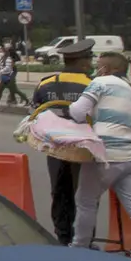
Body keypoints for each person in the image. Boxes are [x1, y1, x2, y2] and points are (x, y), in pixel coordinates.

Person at [66, 52, 131, 249]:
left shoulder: (101, 82)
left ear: (109, 69)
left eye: (99, 66)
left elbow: (77, 112)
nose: (96, 70)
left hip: (106, 155)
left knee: (86, 201)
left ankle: (79, 247)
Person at [28, 39, 96, 245]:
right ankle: (84, 240)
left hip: (55, 148)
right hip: (84, 148)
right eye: (90, 59)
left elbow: (35, 113)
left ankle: (63, 237)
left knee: (60, 191)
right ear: (83, 62)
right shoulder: (93, 84)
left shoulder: (46, 83)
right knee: (85, 195)